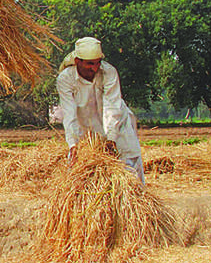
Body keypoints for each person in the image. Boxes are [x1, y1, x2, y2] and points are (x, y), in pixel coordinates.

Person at [56, 36, 145, 183]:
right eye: (90, 64)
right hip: (88, 132)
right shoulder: (65, 79)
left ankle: (134, 203)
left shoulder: (109, 72)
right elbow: (69, 113)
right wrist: (73, 144)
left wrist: (111, 139)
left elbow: (112, 107)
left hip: (118, 126)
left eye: (98, 63)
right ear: (78, 61)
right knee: (81, 175)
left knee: (129, 167)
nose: (95, 68)